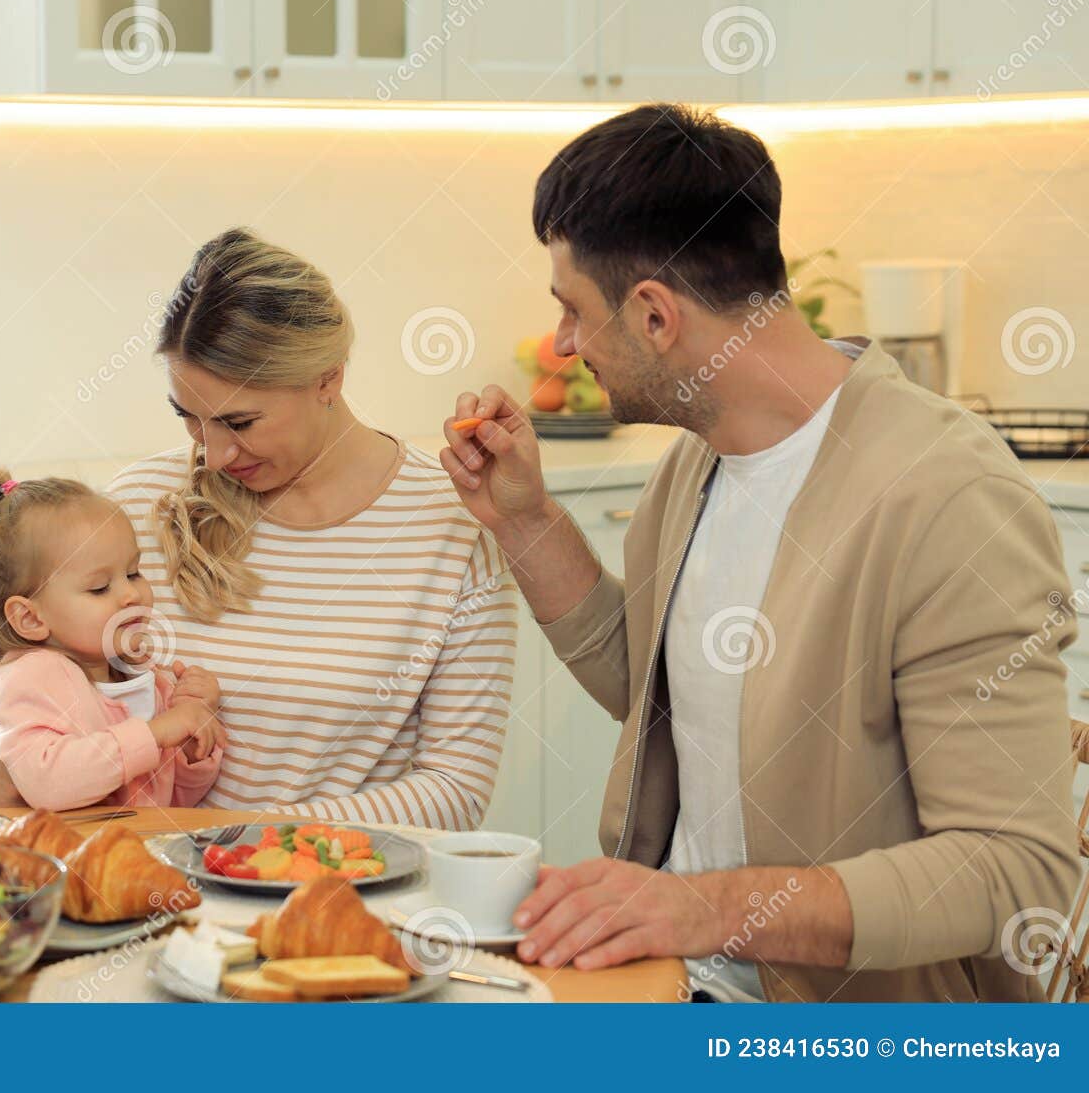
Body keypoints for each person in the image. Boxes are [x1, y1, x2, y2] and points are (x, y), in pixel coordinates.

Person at [442, 103, 1079, 1001]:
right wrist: (524, 518)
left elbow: (1015, 868)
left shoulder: (947, 498)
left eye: (574, 311)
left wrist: (707, 908)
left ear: (656, 315)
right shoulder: (698, 461)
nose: (566, 345)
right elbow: (656, 687)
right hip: (674, 985)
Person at [107, 228, 517, 829]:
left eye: (240, 421)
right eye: (188, 418)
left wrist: (252, 843)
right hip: (155, 894)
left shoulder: (451, 527)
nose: (213, 454)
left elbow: (454, 790)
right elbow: (51, 717)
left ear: (329, 377)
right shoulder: (135, 507)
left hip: (342, 895)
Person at [0, 471, 224, 812]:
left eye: (133, 573)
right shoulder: (32, 677)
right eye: (99, 588)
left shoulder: (144, 677)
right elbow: (49, 784)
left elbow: (166, 803)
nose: (131, 593)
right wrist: (157, 733)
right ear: (30, 618)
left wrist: (191, 744)